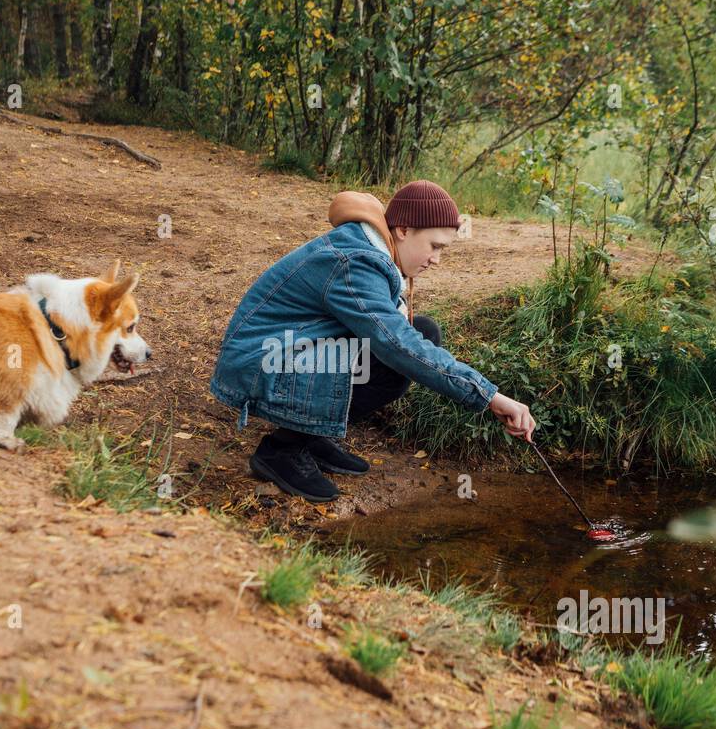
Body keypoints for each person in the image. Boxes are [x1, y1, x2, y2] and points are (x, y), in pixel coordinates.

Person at [210, 179, 536, 502]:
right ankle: (282, 451)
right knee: (396, 360)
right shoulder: (357, 262)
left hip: (285, 352)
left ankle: (311, 432)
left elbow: (404, 335)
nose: (436, 259)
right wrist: (488, 395)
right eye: (435, 246)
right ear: (404, 230)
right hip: (262, 364)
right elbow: (397, 345)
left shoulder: (370, 248)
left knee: (423, 331)